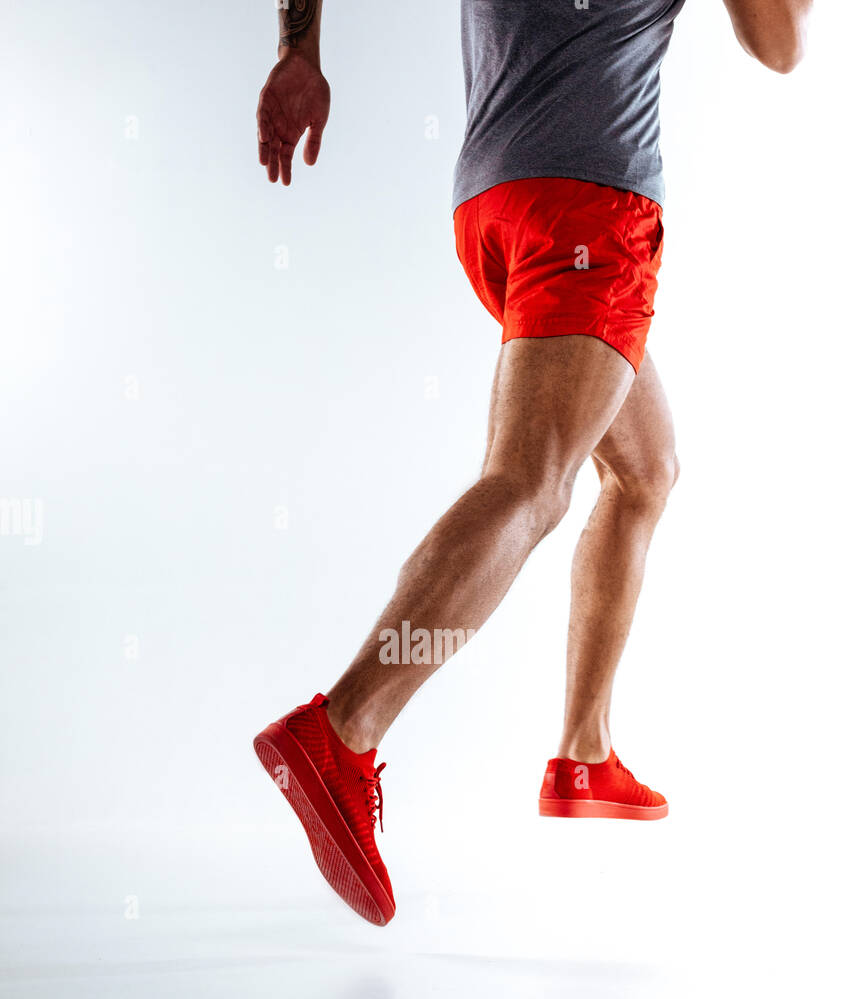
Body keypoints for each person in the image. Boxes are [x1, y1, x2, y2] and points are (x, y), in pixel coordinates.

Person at [253, 0, 811, 925]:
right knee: (529, 482)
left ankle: (584, 751)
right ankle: (342, 726)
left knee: (647, 469)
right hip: (590, 204)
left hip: (493, 201)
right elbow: (780, 46)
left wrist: (299, 51)